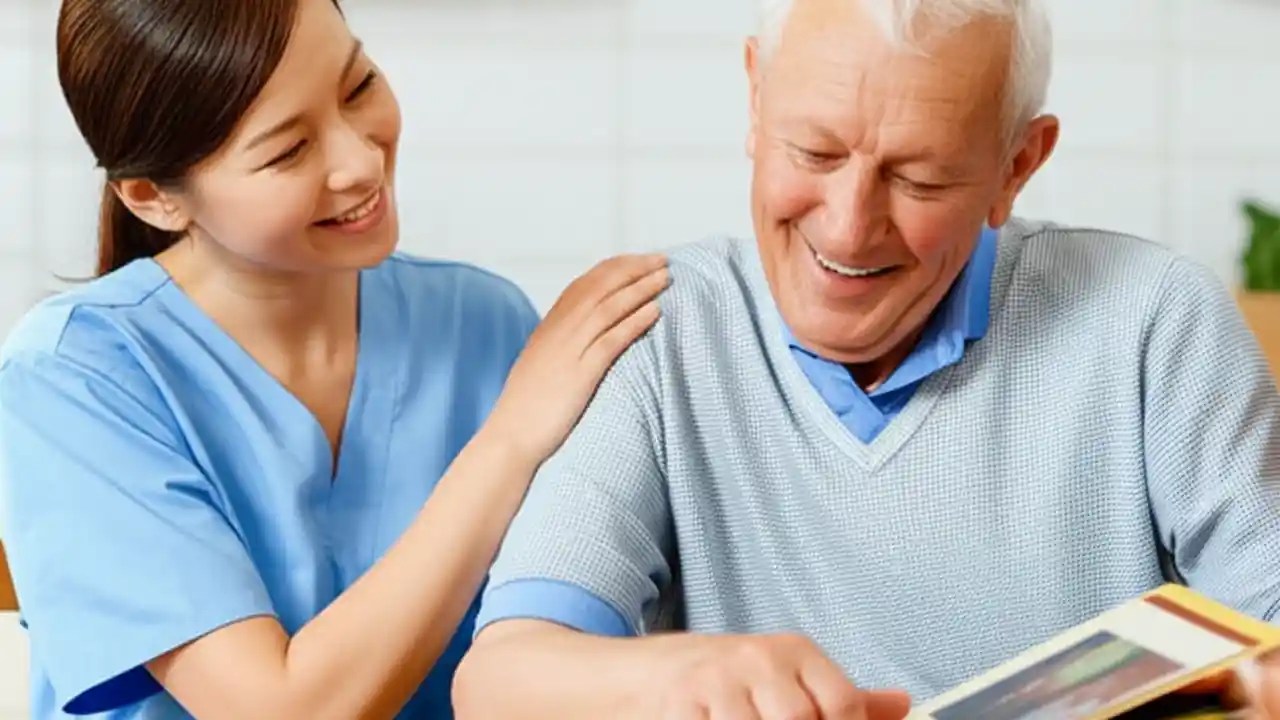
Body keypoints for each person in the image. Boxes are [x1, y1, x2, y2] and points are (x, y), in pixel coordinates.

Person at [452, 0, 1280, 718]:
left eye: (918, 180)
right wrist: (680, 676)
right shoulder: (658, 336)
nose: (848, 229)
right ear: (754, 97)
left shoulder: (1156, 320)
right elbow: (498, 686)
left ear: (1016, 166)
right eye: (813, 153)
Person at [0, 0, 668, 717]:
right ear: (152, 197)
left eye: (358, 86)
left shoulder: (484, 322)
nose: (361, 161)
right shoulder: (76, 376)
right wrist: (508, 441)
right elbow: (281, 710)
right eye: (288, 150)